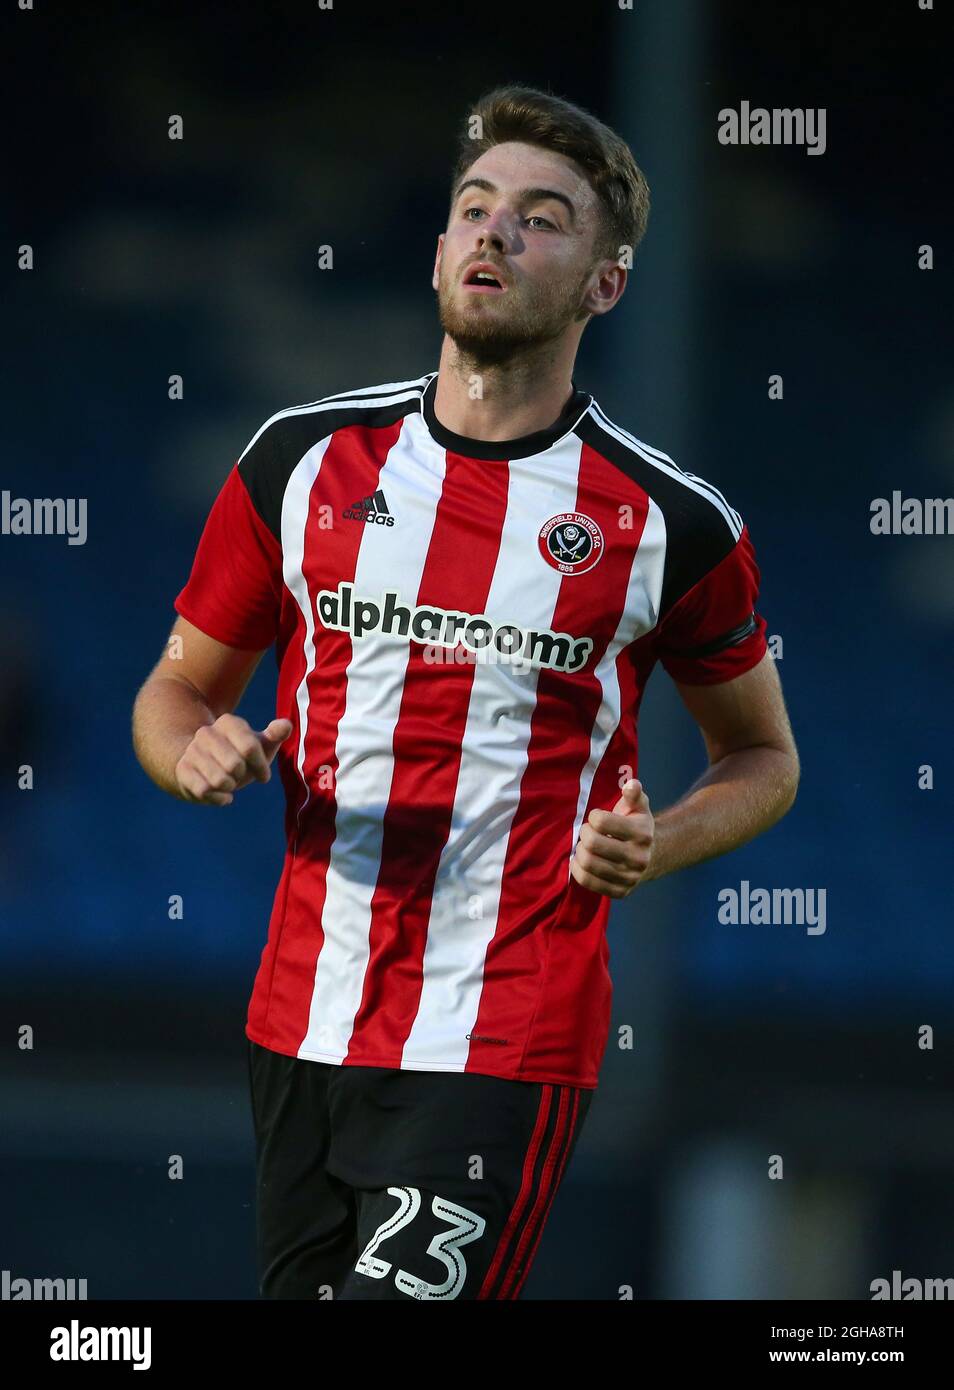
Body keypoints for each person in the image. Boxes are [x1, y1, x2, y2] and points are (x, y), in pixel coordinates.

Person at [132, 84, 799, 1301]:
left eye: (542, 218)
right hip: (301, 1017)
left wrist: (654, 847)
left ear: (607, 282)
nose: (494, 233)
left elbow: (765, 758)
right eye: (474, 207)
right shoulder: (298, 459)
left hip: (503, 1027)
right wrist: (193, 750)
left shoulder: (672, 525)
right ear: (441, 244)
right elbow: (174, 689)